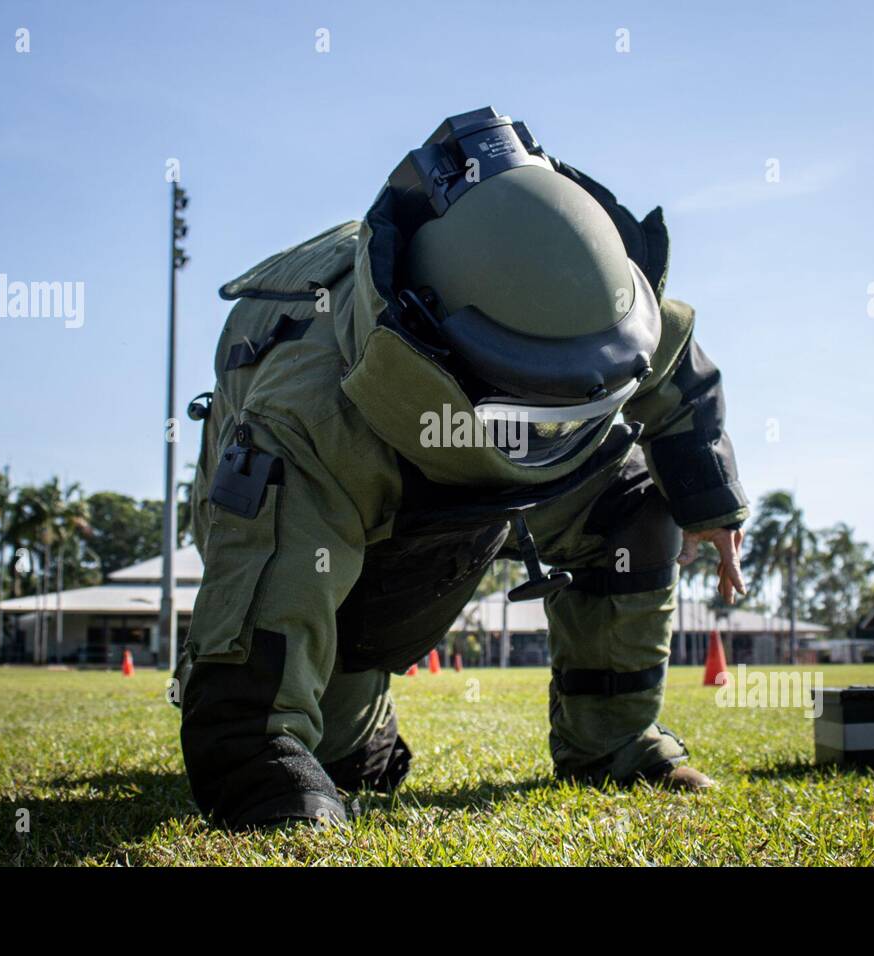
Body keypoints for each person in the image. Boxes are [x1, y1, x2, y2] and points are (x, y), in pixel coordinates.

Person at [178, 107, 749, 829]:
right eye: (535, 399)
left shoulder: (597, 300)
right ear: (436, 347)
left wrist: (712, 503)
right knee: (343, 752)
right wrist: (262, 776)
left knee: (635, 501)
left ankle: (615, 744)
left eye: (581, 394)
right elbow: (267, 578)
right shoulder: (308, 415)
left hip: (493, 479)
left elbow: (675, 372)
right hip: (361, 501)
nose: (563, 416)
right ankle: (338, 718)